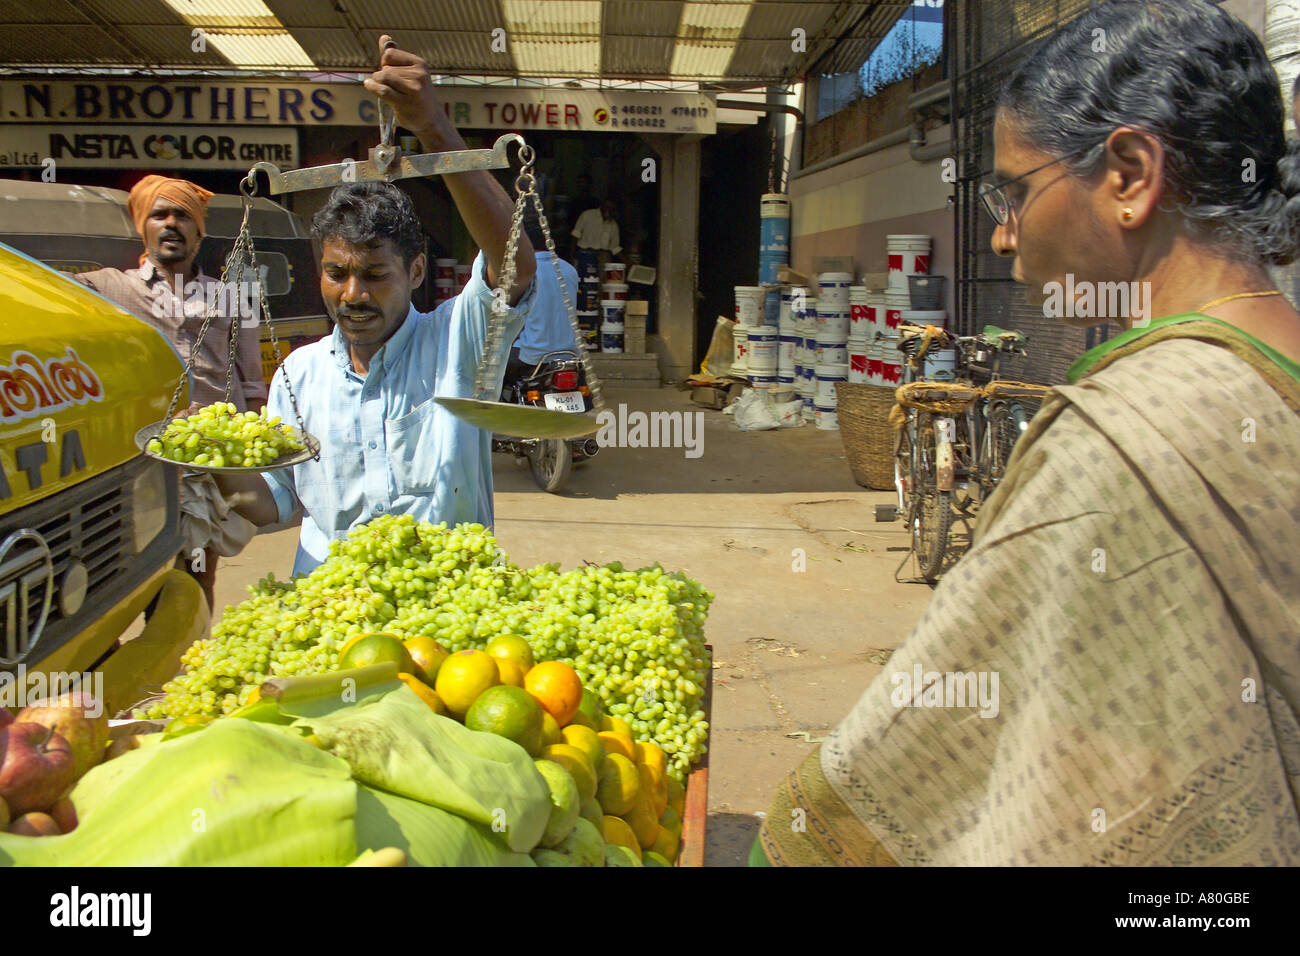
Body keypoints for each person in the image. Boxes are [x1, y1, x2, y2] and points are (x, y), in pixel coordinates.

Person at [754, 0, 1300, 866]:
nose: (1004, 234)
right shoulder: (1267, 375)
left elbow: (942, 761)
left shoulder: (1124, 444)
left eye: (1014, 190)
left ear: (1129, 173)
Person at [215, 37, 536, 577]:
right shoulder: (299, 374)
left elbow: (514, 266)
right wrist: (209, 462)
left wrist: (435, 128)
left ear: (414, 272)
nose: (352, 295)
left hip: (444, 611)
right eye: (336, 274)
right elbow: (275, 502)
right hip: (328, 609)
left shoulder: (458, 342)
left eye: (374, 275)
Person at [69, 174, 267, 609]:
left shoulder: (232, 297)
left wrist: (259, 447)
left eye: (183, 216)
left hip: (208, 457)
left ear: (200, 230)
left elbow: (252, 385)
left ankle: (189, 665)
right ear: (143, 226)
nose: (171, 224)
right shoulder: (107, 287)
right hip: (139, 458)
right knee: (120, 580)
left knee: (196, 574)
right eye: (160, 214)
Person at [506, 208, 584, 383]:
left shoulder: (525, 272)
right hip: (570, 354)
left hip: (532, 356)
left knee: (491, 366)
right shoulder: (570, 270)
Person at [571, 198, 621, 277]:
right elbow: (575, 235)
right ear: (603, 206)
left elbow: (614, 247)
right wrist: (571, 256)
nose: (609, 210)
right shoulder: (587, 215)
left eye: (612, 209)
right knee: (583, 278)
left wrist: (626, 261)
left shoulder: (613, 225)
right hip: (585, 254)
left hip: (603, 256)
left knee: (601, 282)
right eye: (608, 207)